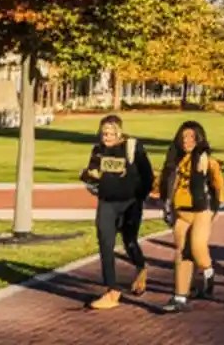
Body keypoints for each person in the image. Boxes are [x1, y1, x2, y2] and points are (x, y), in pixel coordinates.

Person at [153, 121, 224, 314]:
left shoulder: (206, 160)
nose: (187, 141)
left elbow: (219, 185)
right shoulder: (173, 161)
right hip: (181, 211)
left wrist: (215, 208)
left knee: (198, 248)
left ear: (199, 139)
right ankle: (180, 296)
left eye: (192, 137)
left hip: (201, 210)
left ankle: (208, 271)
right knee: (182, 252)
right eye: (184, 137)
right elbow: (161, 184)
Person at [81, 115, 153, 310]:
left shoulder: (132, 146)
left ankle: (141, 268)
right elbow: (93, 174)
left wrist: (140, 197)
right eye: (104, 133)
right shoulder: (98, 150)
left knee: (129, 241)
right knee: (105, 242)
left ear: (119, 132)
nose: (107, 136)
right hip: (107, 203)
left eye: (111, 133)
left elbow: (148, 175)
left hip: (130, 203)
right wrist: (89, 176)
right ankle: (112, 290)